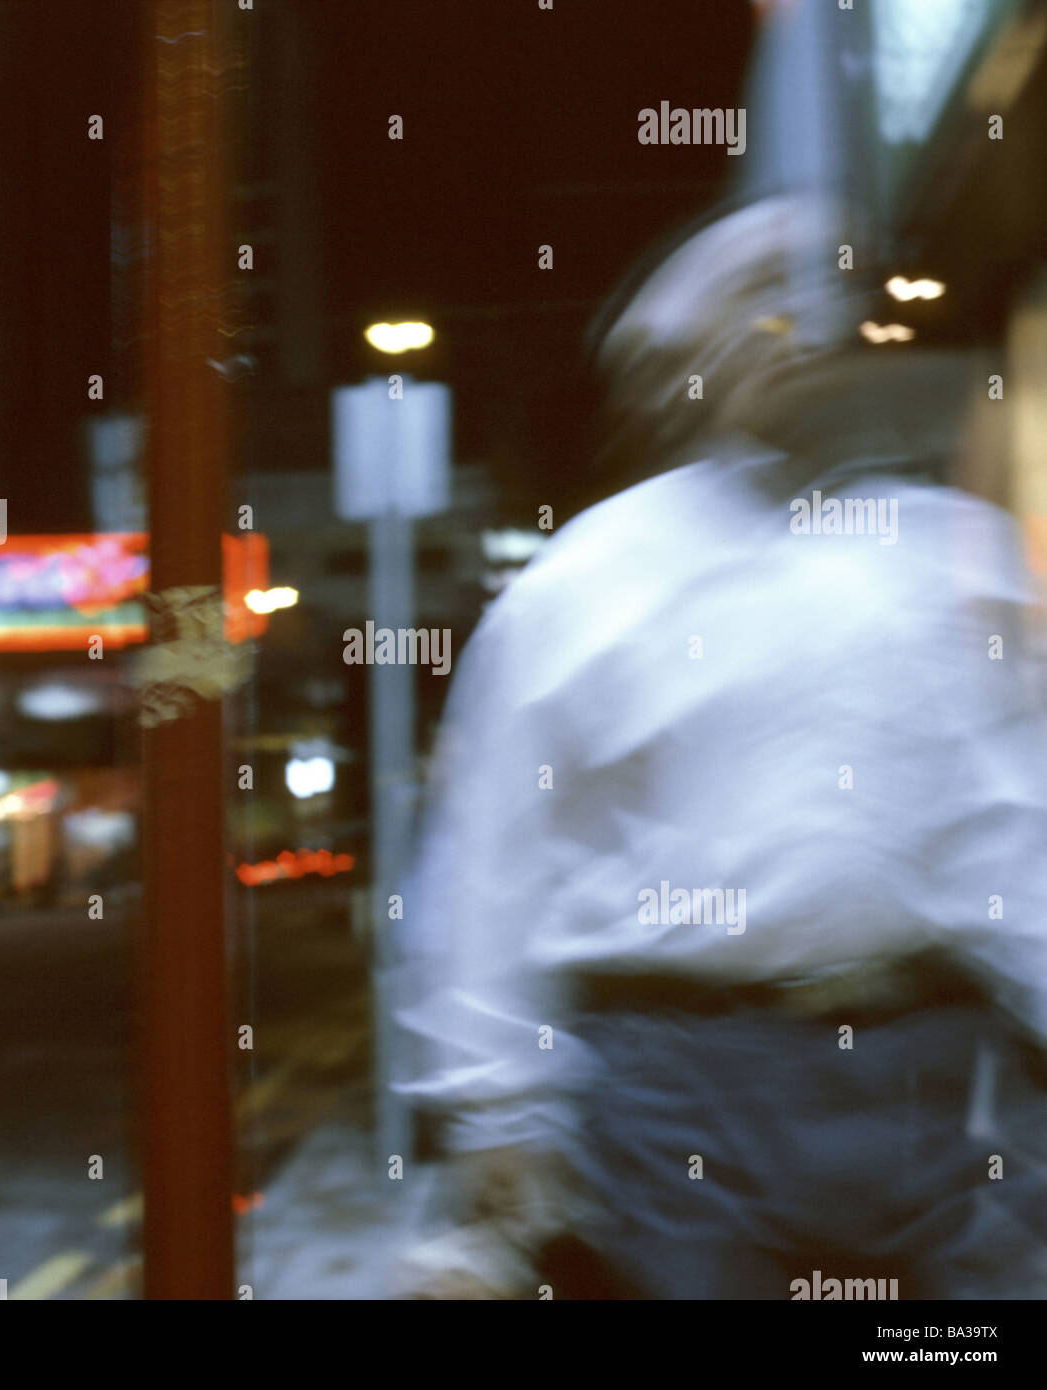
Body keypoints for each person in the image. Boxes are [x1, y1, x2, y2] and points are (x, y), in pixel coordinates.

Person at [394, 196, 1047, 1299]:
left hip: (927, 1065)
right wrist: (497, 1107)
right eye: (743, 307)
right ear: (668, 370)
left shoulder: (944, 555)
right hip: (675, 1089)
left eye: (793, 303)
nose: (774, 331)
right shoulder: (584, 588)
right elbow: (491, 862)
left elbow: (1011, 824)